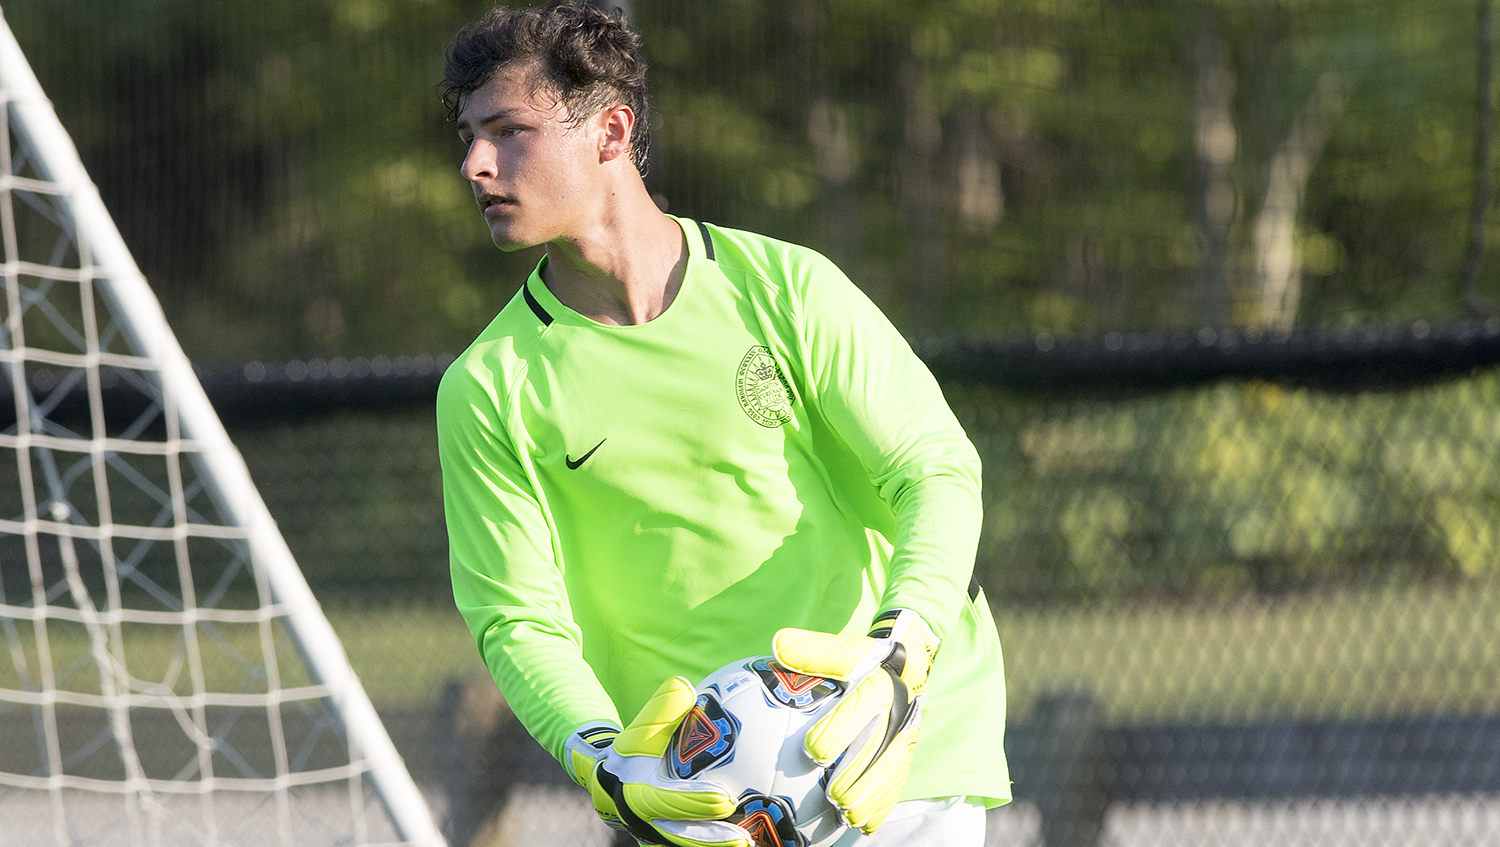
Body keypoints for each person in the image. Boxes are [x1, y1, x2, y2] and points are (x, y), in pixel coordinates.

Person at [435, 2, 1010, 845]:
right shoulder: (487, 386)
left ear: (610, 130)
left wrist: (901, 653)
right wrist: (603, 757)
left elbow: (935, 468)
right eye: (467, 138)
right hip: (703, 799)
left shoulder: (788, 288)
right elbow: (518, 618)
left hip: (894, 761)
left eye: (508, 130)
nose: (476, 165)